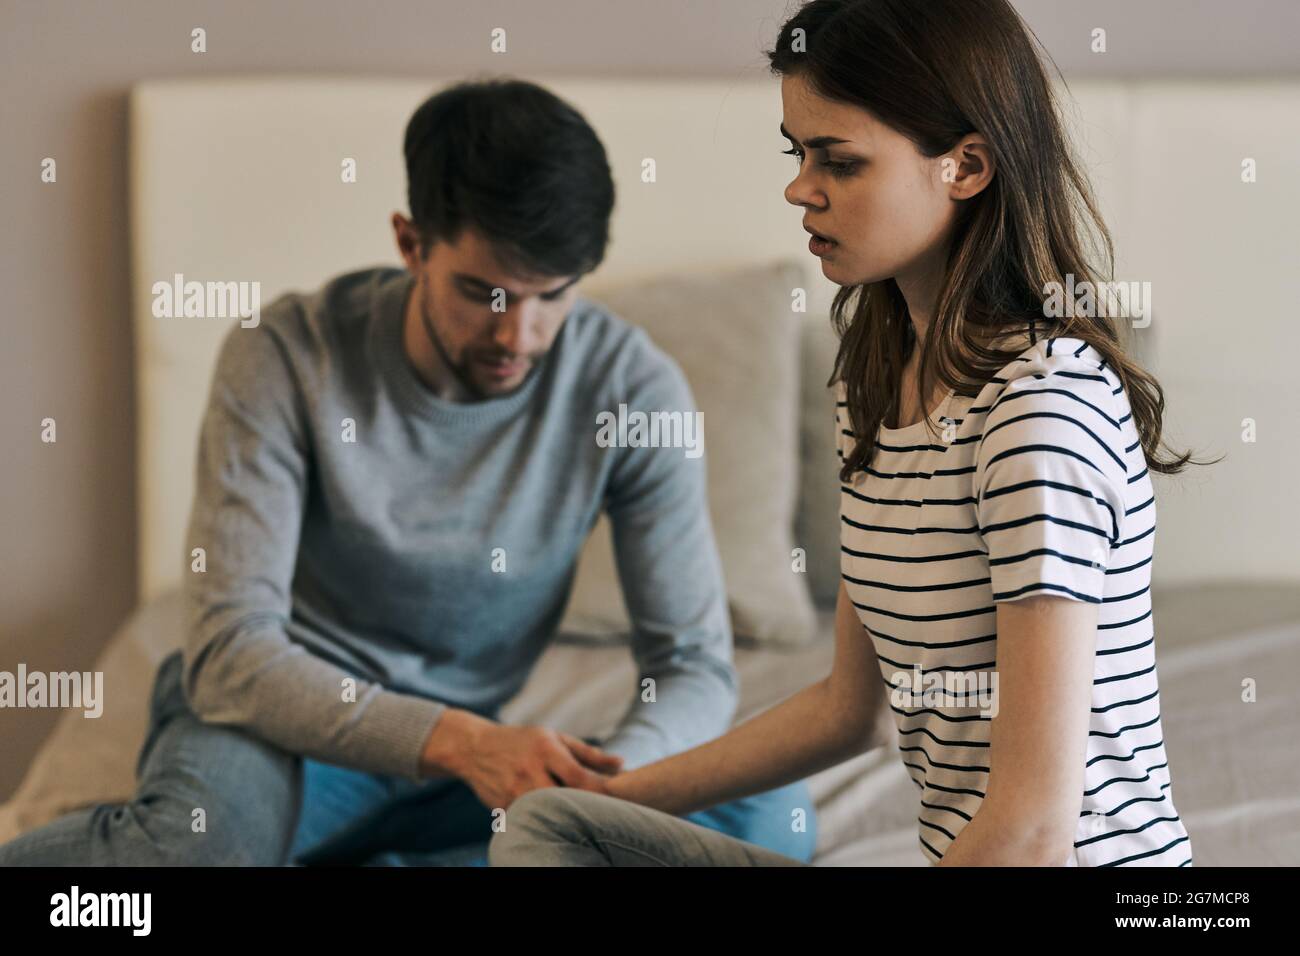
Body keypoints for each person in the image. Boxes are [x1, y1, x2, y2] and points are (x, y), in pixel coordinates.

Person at [0, 78, 816, 867]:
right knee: (196, 848)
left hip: (468, 766)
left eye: (551, 297)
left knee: (767, 815)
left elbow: (693, 665)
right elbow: (227, 654)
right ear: (409, 243)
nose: (519, 336)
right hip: (275, 734)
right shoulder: (285, 355)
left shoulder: (633, 388)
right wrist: (462, 741)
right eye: (482, 292)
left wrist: (608, 791)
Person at [490, 0, 1209, 868]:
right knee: (555, 830)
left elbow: (1032, 831)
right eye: (798, 154)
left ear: (966, 167)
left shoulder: (1038, 413)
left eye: (840, 161)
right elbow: (850, 709)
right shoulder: (875, 384)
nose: (801, 187)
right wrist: (609, 796)